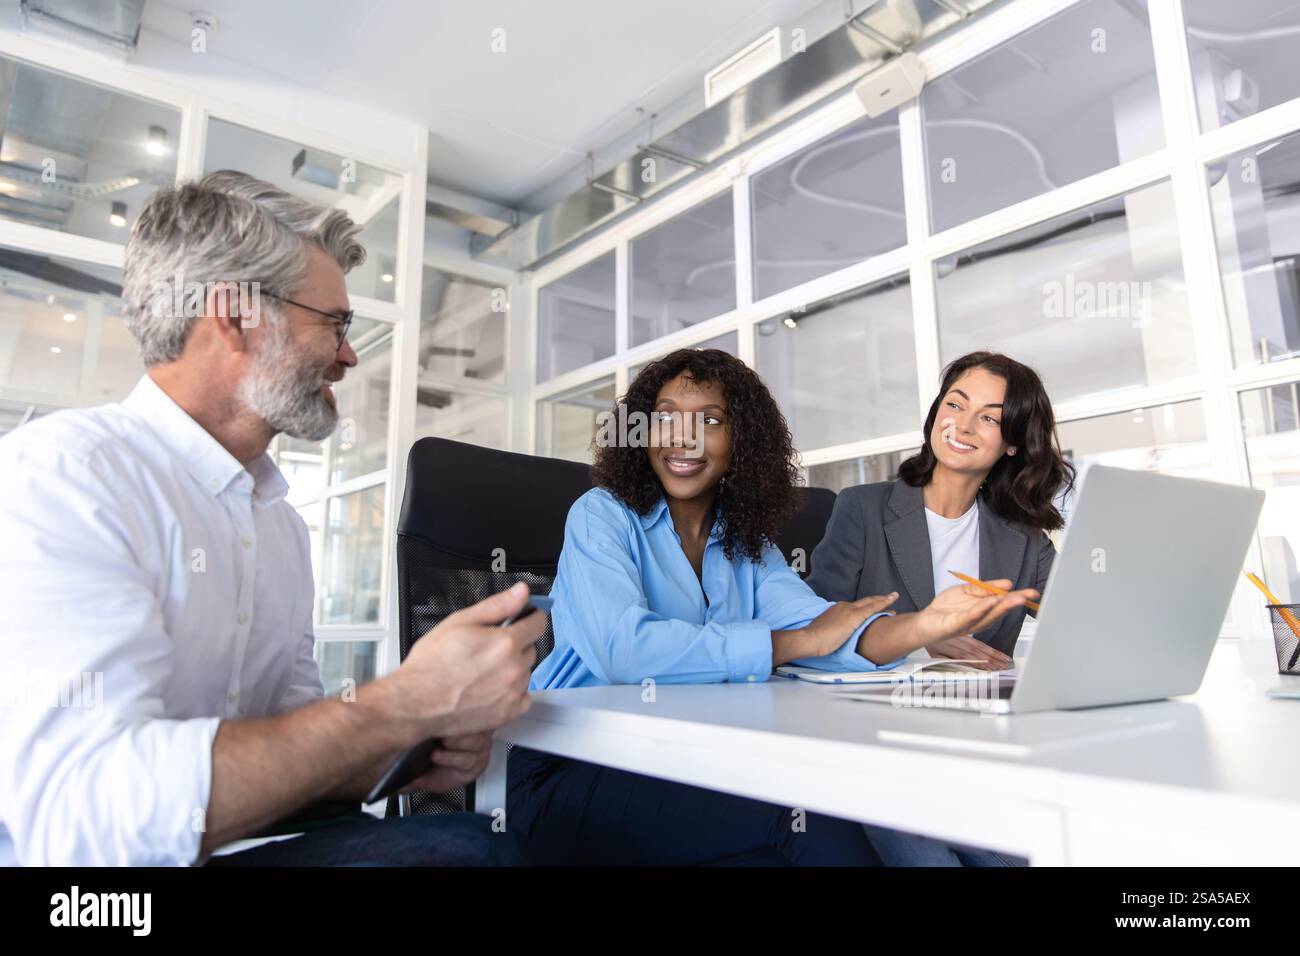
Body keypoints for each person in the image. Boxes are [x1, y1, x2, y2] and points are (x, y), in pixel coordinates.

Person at [0, 171, 541, 866]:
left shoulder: (277, 523)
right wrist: (404, 703)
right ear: (234, 316)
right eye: (335, 323)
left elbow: (296, 750)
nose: (348, 354)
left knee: (478, 846)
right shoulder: (64, 478)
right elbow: (87, 819)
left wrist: (407, 745)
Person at [507, 348, 1037, 865]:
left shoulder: (748, 542)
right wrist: (793, 644)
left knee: (850, 806)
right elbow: (625, 650)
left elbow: (823, 630)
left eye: (711, 420)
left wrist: (921, 626)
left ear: (742, 441)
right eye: (666, 417)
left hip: (693, 761)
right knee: (803, 820)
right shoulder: (601, 515)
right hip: (575, 765)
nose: (684, 436)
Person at [807, 350, 1075, 865]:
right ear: (935, 413)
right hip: (878, 739)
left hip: (974, 741)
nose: (964, 424)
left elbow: (1080, 624)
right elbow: (813, 623)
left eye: (990, 417)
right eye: (955, 403)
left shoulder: (1025, 541)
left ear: (1014, 442)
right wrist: (920, 634)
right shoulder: (862, 508)